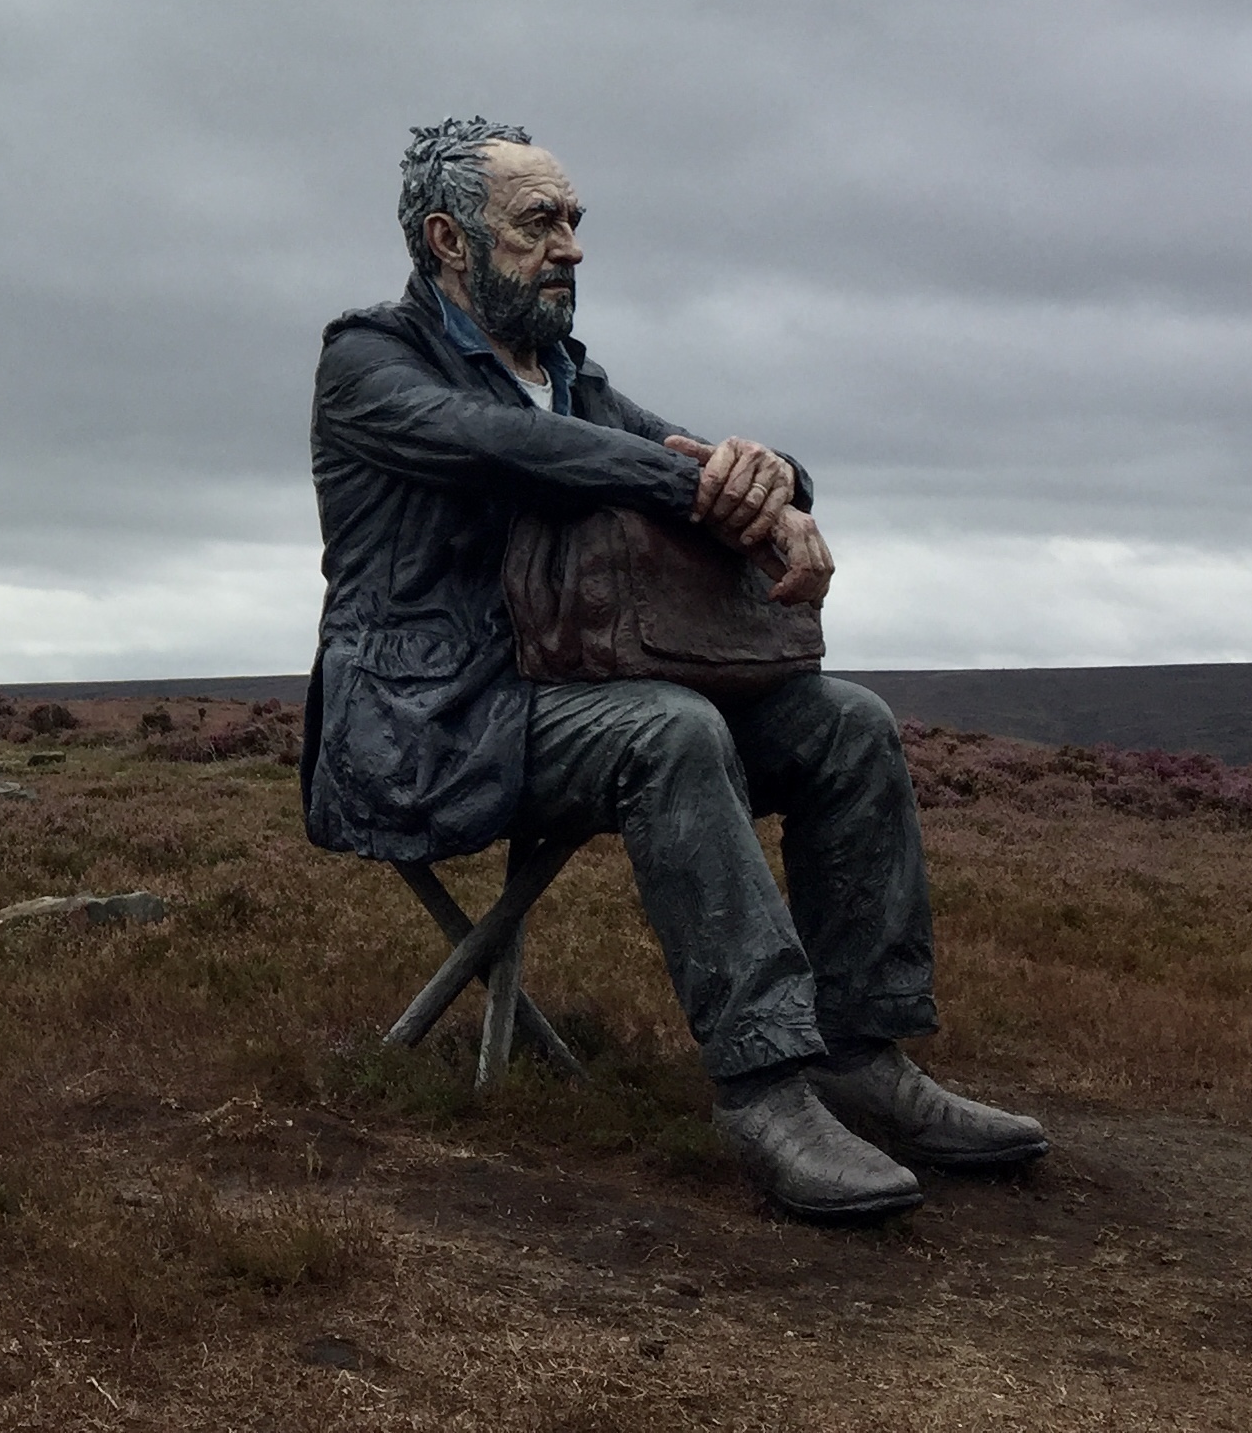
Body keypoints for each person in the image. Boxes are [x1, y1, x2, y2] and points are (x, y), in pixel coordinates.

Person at [299, 115, 1047, 1221]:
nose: (571, 247)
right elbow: (515, 449)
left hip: (563, 698)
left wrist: (774, 482)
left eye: (573, 221)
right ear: (450, 240)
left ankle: (861, 1057)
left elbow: (681, 453)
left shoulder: (569, 377)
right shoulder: (367, 363)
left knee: (846, 725)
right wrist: (702, 485)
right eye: (539, 223)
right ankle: (767, 1087)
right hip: (429, 723)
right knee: (670, 728)